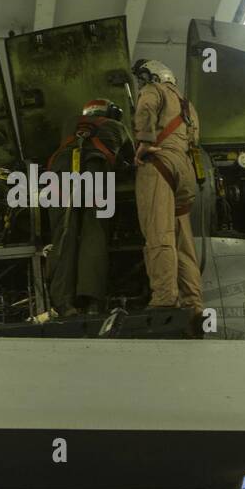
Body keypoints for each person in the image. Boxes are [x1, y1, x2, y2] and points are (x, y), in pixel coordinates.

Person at [130, 59, 203, 321]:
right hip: (184, 171)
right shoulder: (187, 104)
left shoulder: (154, 90)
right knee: (184, 243)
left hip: (159, 164)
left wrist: (144, 141)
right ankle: (193, 304)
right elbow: (194, 139)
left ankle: (163, 300)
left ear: (152, 75)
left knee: (159, 233)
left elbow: (146, 107)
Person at [46, 99, 132, 316]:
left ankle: (63, 304)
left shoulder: (69, 123)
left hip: (60, 176)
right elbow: (132, 161)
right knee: (94, 235)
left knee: (64, 235)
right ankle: (92, 302)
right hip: (95, 171)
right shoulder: (118, 127)